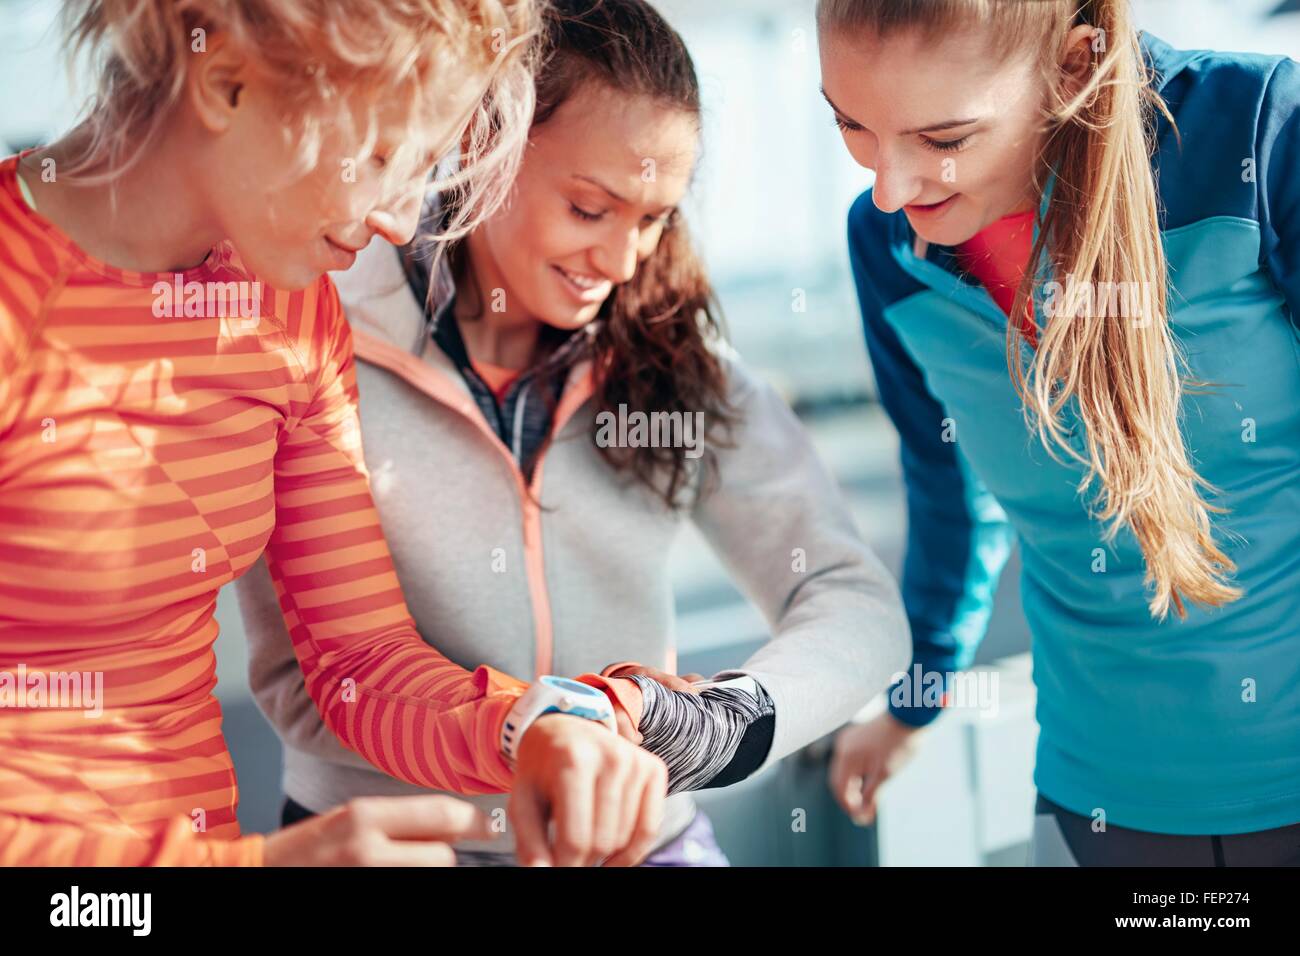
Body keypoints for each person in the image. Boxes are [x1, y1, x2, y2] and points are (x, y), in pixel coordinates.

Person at [238, 0, 909, 867]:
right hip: (393, 842)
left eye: (655, 217)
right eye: (591, 208)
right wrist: (533, 734)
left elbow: (853, 600)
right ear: (485, 146)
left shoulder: (678, 360)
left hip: (636, 845)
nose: (624, 261)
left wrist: (705, 727)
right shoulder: (314, 330)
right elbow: (316, 675)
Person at [0, 0, 668, 867]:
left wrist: (529, 726)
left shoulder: (290, 306)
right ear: (224, 80)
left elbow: (359, 657)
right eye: (384, 156)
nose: (398, 220)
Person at [819, 0, 1300, 864]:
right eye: (850, 123)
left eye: (944, 138)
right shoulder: (883, 249)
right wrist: (916, 699)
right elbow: (951, 503)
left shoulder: (1257, 130)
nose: (889, 188)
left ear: (1074, 67)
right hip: (1094, 809)